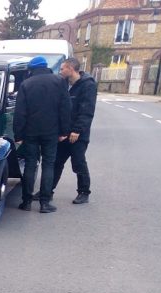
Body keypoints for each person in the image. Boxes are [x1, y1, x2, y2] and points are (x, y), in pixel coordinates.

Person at [13, 56, 71, 213]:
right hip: (51, 132)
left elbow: (20, 112)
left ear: (32, 69)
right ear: (46, 66)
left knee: (30, 165)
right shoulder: (59, 82)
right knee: (48, 164)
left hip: (30, 132)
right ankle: (45, 203)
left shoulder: (26, 84)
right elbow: (65, 108)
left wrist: (18, 134)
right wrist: (64, 131)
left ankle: (26, 202)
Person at [53, 57, 97, 204]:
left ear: (70, 69)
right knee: (56, 162)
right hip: (64, 133)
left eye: (62, 68)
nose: (60, 71)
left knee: (78, 162)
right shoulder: (64, 84)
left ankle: (84, 192)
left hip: (78, 134)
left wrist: (77, 130)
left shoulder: (87, 85)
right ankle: (47, 191)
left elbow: (87, 110)